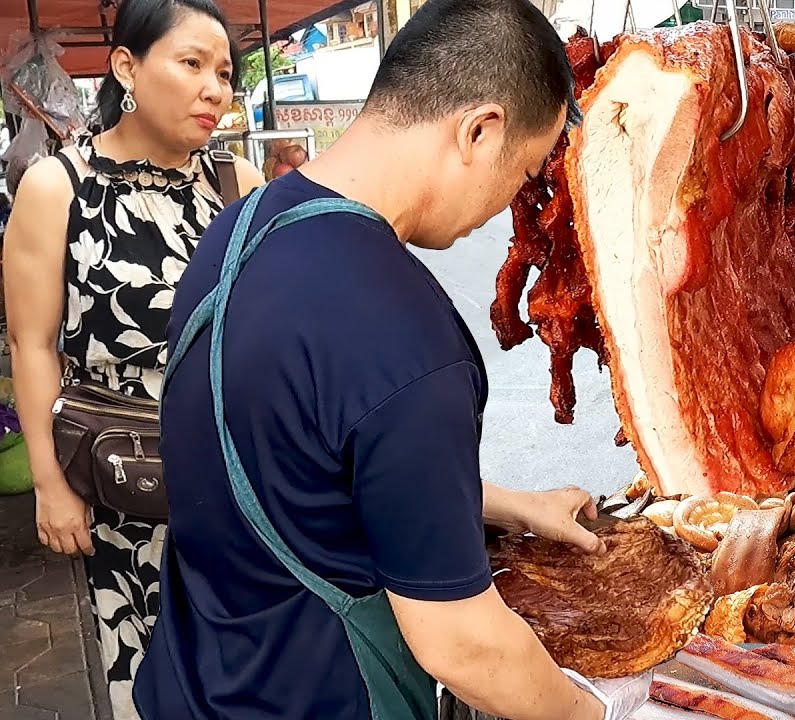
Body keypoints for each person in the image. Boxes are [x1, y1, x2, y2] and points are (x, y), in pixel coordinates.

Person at [134, 1, 650, 719]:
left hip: (189, 687)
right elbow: (462, 643)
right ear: (480, 130)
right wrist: (594, 713)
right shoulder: (409, 341)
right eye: (526, 174)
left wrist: (513, 505)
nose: (511, 205)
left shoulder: (240, 228)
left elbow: (304, 466)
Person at [2, 1, 263, 718]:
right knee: (149, 680)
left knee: (250, 673)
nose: (217, 88)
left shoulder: (237, 185)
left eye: (225, 72)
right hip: (125, 492)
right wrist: (51, 487)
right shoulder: (59, 187)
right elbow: (32, 344)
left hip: (241, 488)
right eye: (192, 64)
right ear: (127, 68)